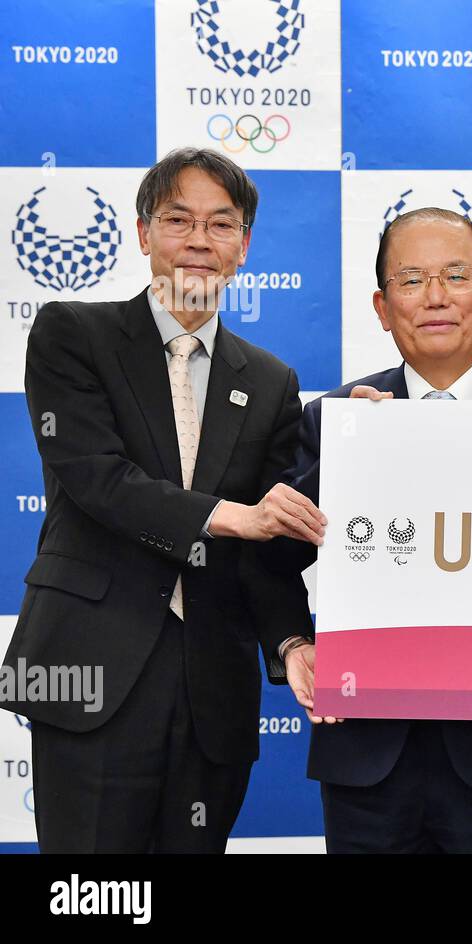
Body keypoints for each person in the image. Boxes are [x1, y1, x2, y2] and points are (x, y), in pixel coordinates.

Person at [1, 147, 326, 853]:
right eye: (179, 220)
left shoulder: (270, 380)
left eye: (221, 224)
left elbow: (269, 546)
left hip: (212, 689)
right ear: (144, 233)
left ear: (244, 247)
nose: (200, 241)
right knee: (94, 895)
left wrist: (291, 639)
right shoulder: (72, 333)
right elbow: (98, 479)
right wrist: (227, 515)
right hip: (91, 672)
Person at [278, 207, 472, 854]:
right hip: (367, 756)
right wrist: (292, 643)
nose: (436, 297)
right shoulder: (333, 418)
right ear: (382, 307)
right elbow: (273, 558)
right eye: (412, 280)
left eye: (456, 275)